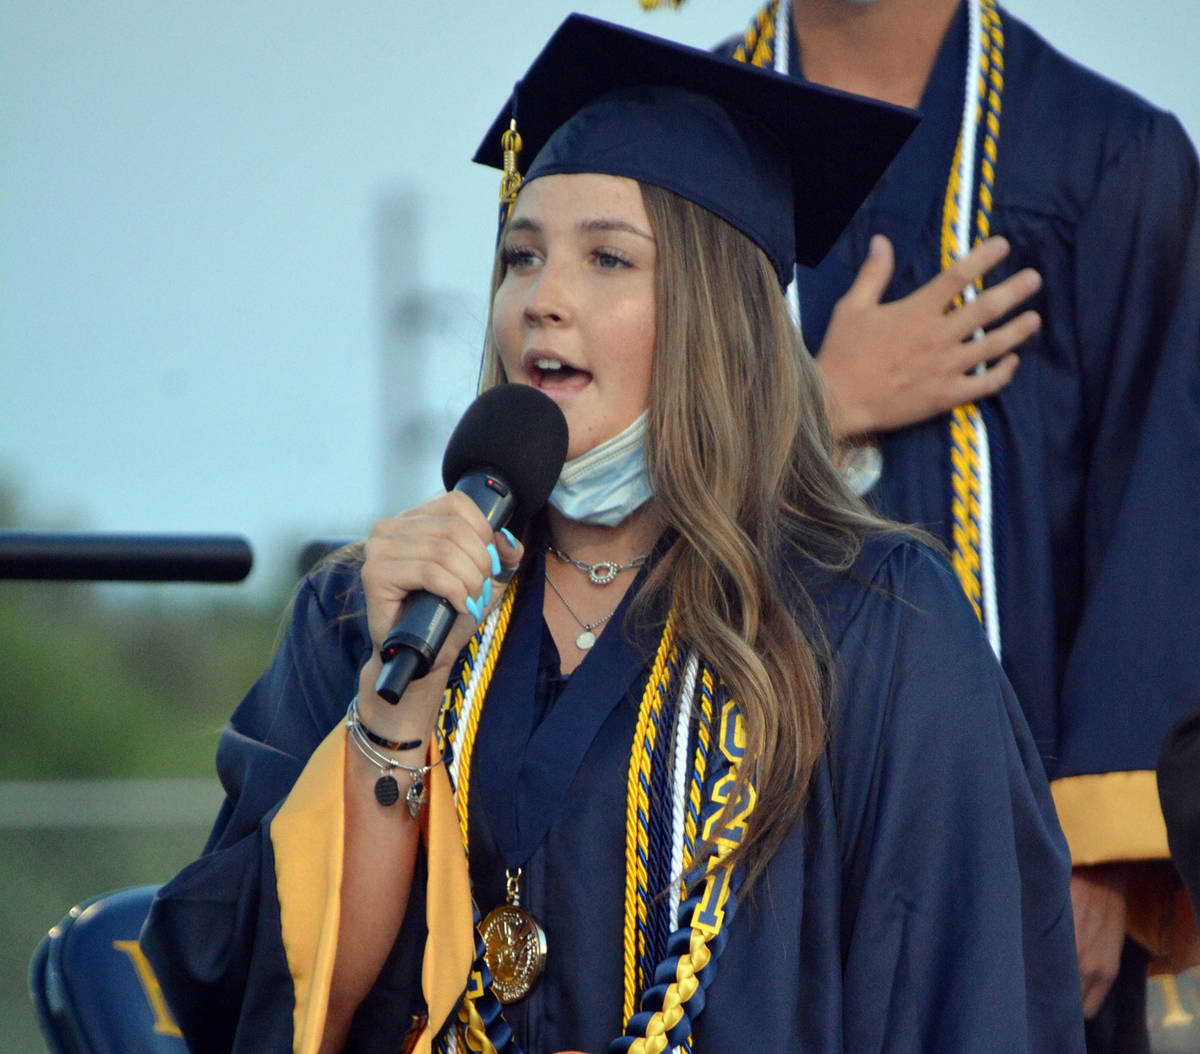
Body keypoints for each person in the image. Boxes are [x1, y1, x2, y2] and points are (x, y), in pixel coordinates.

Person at [140, 15, 1085, 1053]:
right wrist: (388, 720)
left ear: (714, 315)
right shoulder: (369, 612)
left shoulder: (875, 622)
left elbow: (964, 995)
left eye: (606, 259)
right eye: (519, 256)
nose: (542, 300)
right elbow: (261, 995)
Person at [640, 0, 1200, 1047]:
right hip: (713, 854)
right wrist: (820, 402)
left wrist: (1099, 858)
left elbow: (1165, 535)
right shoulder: (670, 154)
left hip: (1018, 865)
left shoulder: (1108, 160)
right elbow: (599, 485)